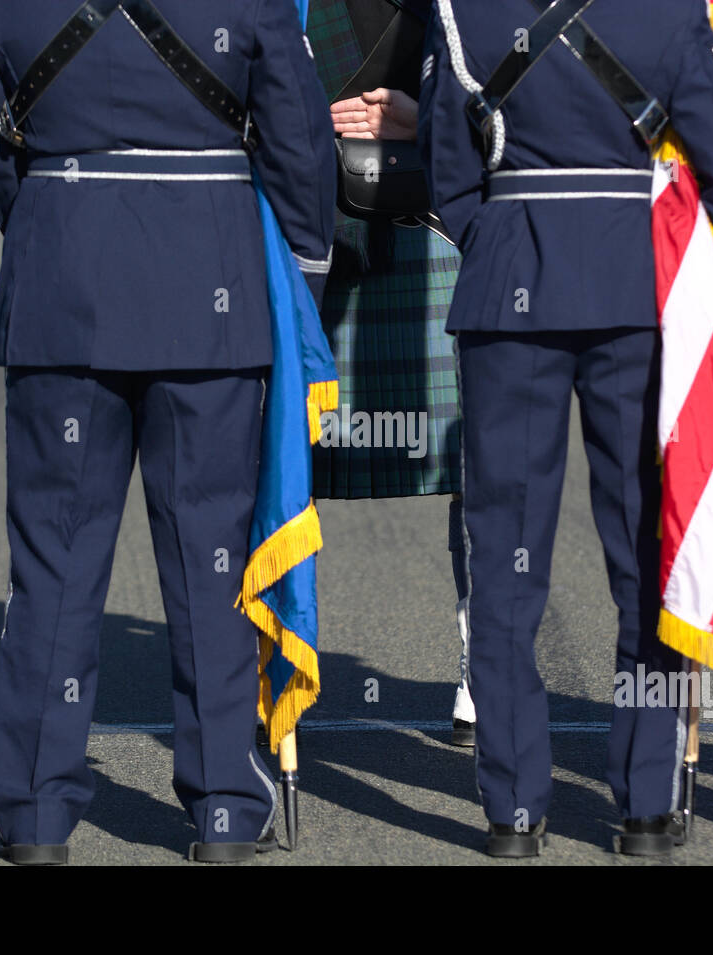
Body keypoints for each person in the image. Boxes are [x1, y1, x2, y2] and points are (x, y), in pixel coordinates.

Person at [0, 0, 335, 864]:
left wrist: (58, 230)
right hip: (211, 290)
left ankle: (33, 813)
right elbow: (299, 146)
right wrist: (298, 287)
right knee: (211, 564)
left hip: (62, 286)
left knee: (52, 562)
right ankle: (226, 813)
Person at [421, 0, 713, 857]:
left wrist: (504, 240)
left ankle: (513, 811)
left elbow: (449, 171)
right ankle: (647, 804)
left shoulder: (462, 10)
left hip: (512, 283)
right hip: (636, 284)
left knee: (505, 558)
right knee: (646, 551)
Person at [305, 0, 474, 747]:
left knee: (479, 467)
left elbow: (508, 94)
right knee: (280, 459)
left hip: (434, 220)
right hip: (316, 230)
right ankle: (273, 657)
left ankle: (482, 664)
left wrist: (427, 117)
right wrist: (309, 120)